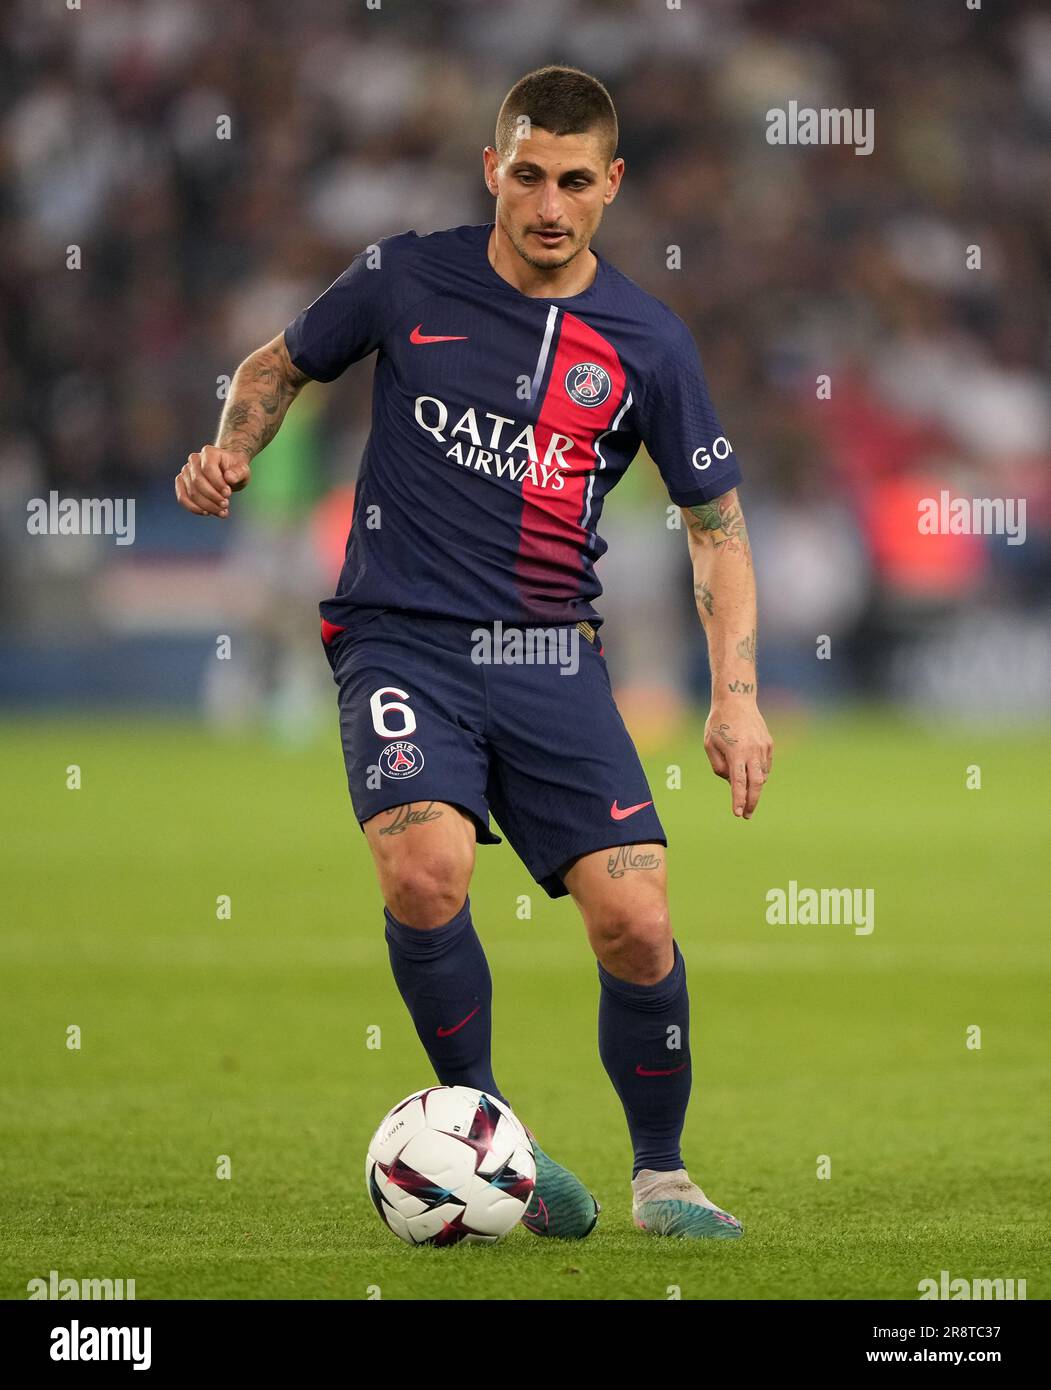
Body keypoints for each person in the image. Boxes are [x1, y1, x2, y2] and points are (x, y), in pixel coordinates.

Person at [176, 65, 773, 1241]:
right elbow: (274, 364)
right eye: (529, 175)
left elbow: (718, 531)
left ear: (611, 185)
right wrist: (228, 450)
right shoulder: (405, 275)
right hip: (400, 639)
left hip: (552, 655)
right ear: (492, 169)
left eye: (574, 182)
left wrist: (736, 698)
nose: (548, 205)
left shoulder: (649, 344)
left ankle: (663, 1177)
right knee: (423, 871)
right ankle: (495, 1139)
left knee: (638, 923)